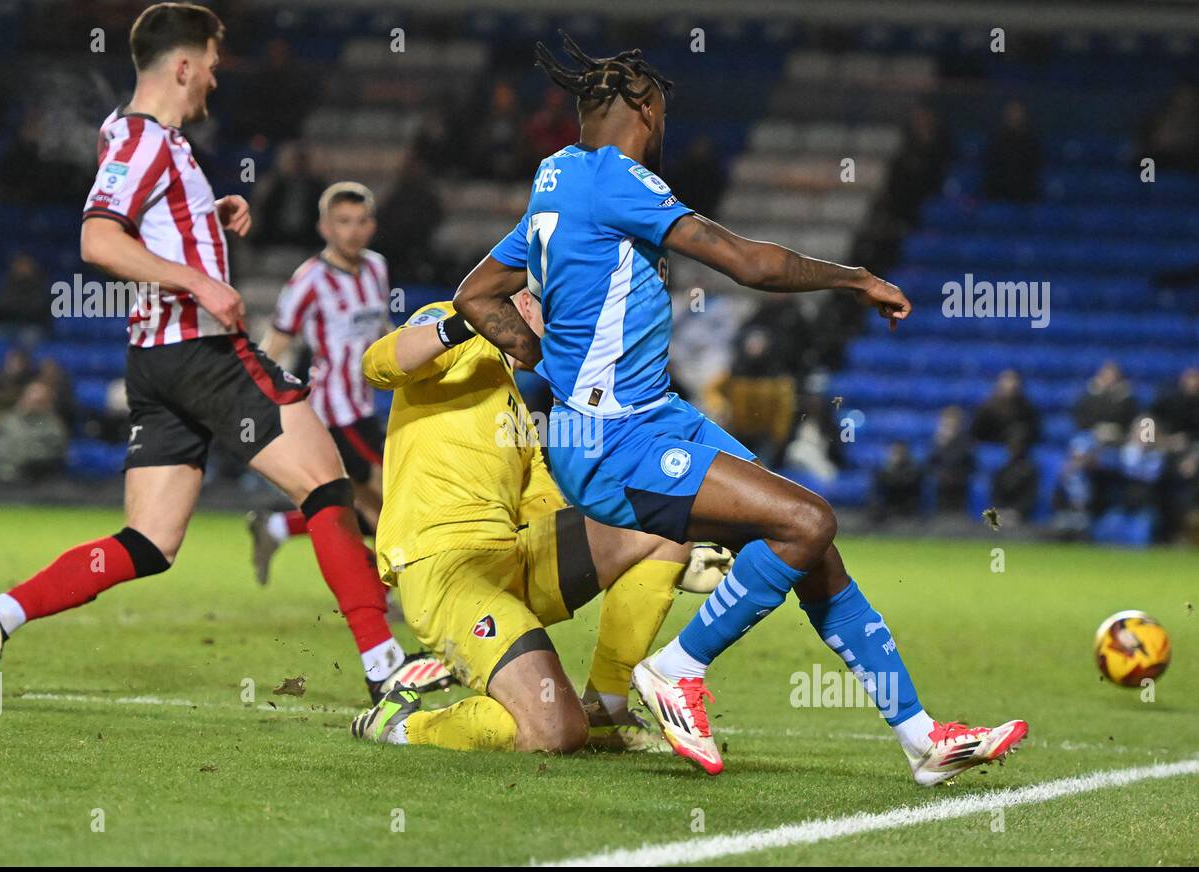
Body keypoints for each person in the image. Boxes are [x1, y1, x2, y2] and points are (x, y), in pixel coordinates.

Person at [453, 34, 1026, 782]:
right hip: (612, 439)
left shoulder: (554, 183)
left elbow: (475, 294)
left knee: (811, 547)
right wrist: (854, 278)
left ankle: (922, 738)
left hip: (645, 417)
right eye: (663, 115)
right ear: (647, 110)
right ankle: (673, 670)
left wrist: (538, 358)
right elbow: (750, 263)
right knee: (808, 519)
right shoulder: (617, 180)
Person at [0, 3, 414, 707]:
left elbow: (141, 220)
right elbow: (97, 240)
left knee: (150, 541)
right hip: (202, 351)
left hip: (158, 363)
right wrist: (200, 277)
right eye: (212, 66)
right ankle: (386, 668)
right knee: (327, 487)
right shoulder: (145, 141)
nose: (216, 82)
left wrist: (206, 220)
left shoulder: (144, 140)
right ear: (183, 65)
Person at [350, 296, 731, 753]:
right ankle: (402, 724)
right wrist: (466, 325)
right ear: (526, 303)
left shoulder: (516, 408)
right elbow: (377, 365)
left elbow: (548, 513)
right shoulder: (459, 333)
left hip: (512, 559)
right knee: (554, 732)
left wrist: (676, 560)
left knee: (664, 523)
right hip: (448, 571)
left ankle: (607, 709)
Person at [247, 182, 392, 585]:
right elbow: (277, 341)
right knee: (389, 499)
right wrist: (251, 400)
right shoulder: (308, 279)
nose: (353, 231)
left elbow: (382, 328)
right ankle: (392, 594)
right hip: (333, 411)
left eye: (361, 221)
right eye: (343, 222)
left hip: (365, 407)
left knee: (355, 506)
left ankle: (277, 528)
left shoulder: (377, 268)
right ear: (324, 227)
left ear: (373, 225)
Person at [971, 368, 1041, 448]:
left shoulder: (1027, 408)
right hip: (991, 446)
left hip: (1019, 448)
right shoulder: (986, 408)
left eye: (1014, 381)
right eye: (1007, 381)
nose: (1011, 385)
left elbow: (1035, 432)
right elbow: (976, 433)